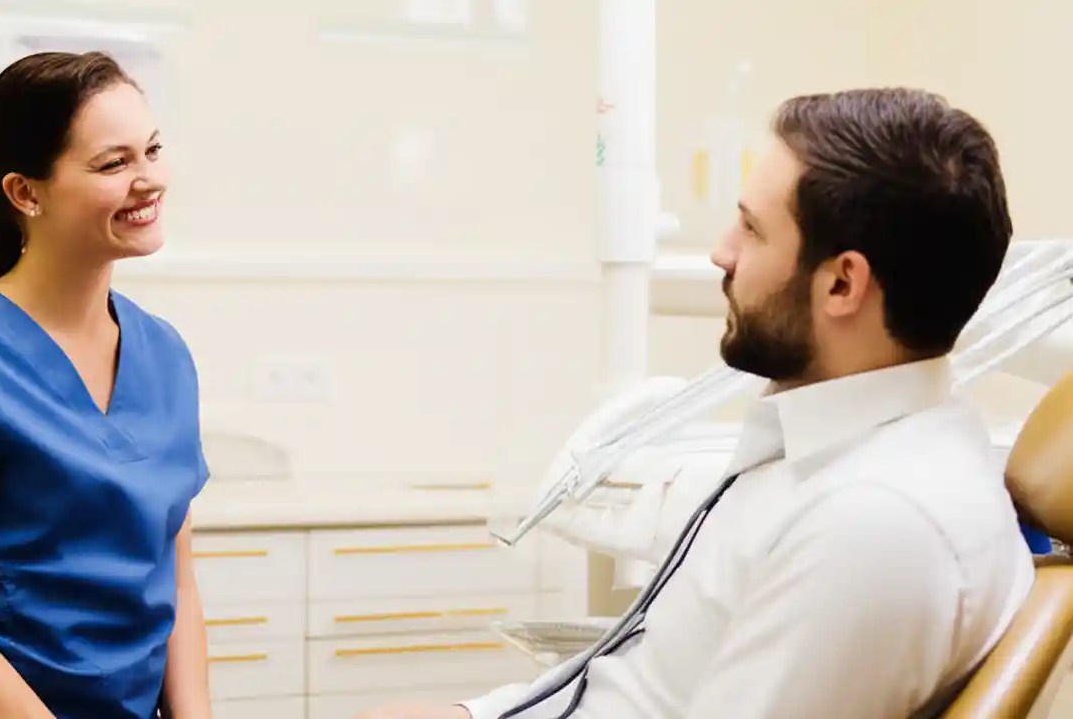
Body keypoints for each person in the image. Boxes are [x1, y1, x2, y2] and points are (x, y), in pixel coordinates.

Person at [360, 88, 1035, 718]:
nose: (722, 253)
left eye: (751, 229)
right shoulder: (822, 452)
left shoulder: (874, 526)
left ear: (841, 285)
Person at [0, 51, 211, 718]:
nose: (149, 180)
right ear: (26, 192)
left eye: (153, 150)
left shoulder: (163, 353)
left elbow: (178, 588)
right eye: (115, 163)